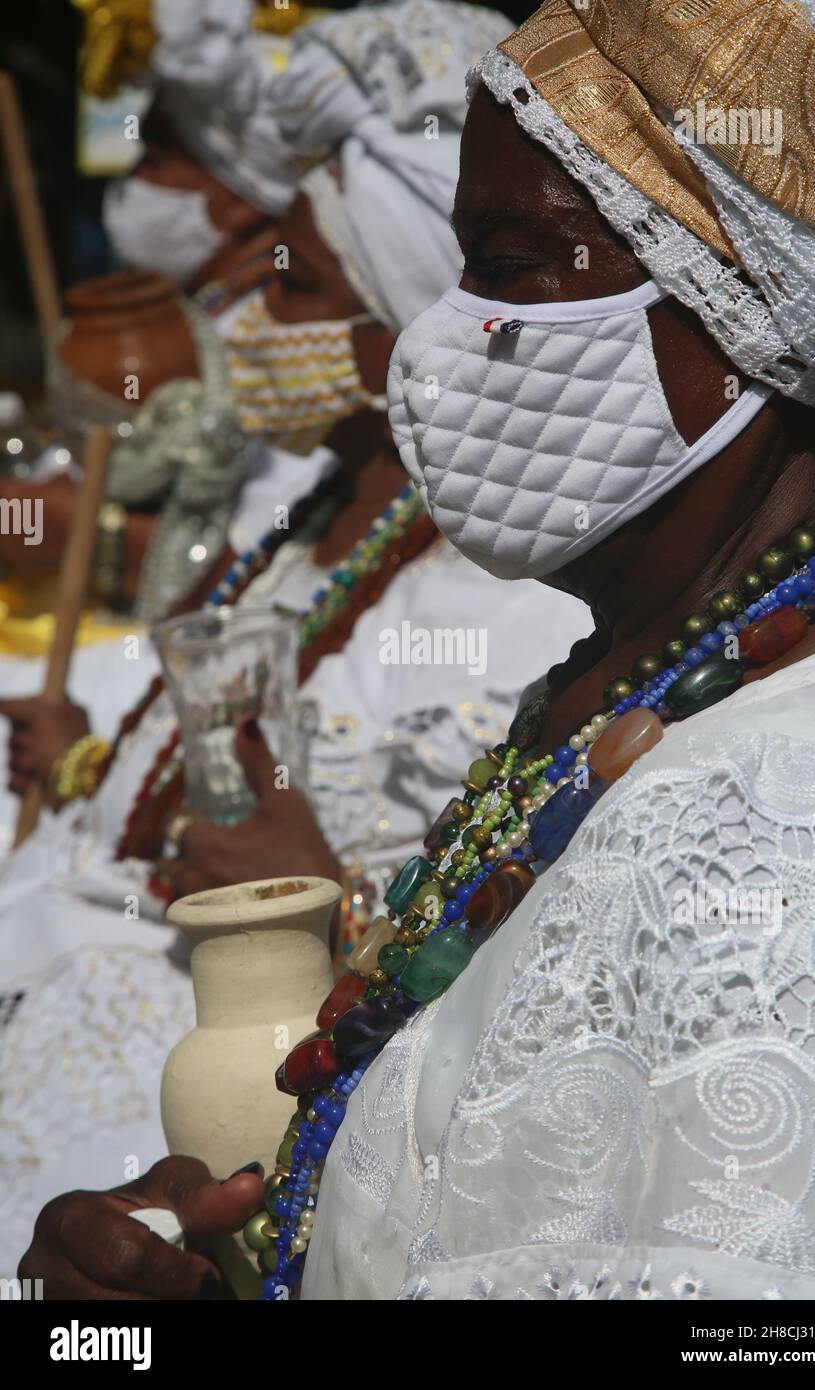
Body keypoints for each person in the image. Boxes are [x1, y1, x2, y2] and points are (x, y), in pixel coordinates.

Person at [20, 0, 815, 1302]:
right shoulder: (623, 695)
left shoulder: (764, 834)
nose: (436, 335)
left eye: (515, 263)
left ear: (747, 296)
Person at [0, 0, 588, 1278]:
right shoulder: (302, 522)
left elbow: (506, 975)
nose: (253, 322)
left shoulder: (516, 614)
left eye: (298, 287)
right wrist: (93, 768)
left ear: (405, 318)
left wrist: (327, 887)